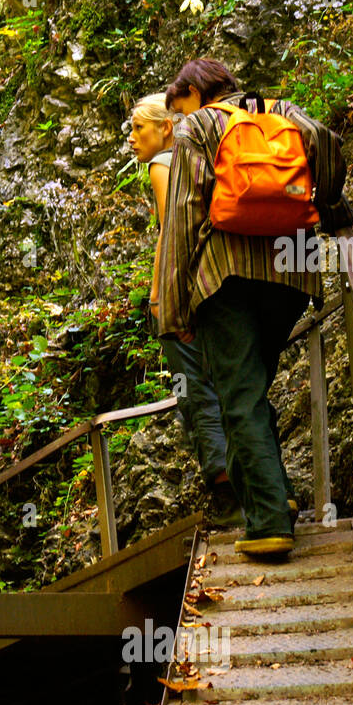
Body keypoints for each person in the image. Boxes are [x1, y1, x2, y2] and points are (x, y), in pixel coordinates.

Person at [155, 59, 353, 556]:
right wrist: (328, 208)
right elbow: (328, 146)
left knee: (238, 394)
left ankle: (267, 524)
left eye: (180, 109)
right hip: (293, 272)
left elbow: (183, 217)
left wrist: (174, 309)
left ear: (199, 94)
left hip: (226, 274)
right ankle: (278, 495)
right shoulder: (283, 111)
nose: (179, 121)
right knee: (248, 387)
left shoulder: (200, 128)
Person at [125, 94, 238, 525]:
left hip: (183, 297)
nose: (133, 139)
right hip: (215, 287)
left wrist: (158, 297)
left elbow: (169, 236)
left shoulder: (162, 166)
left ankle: (226, 491)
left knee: (192, 391)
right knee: (225, 385)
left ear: (165, 129)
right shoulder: (198, 161)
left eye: (139, 128)